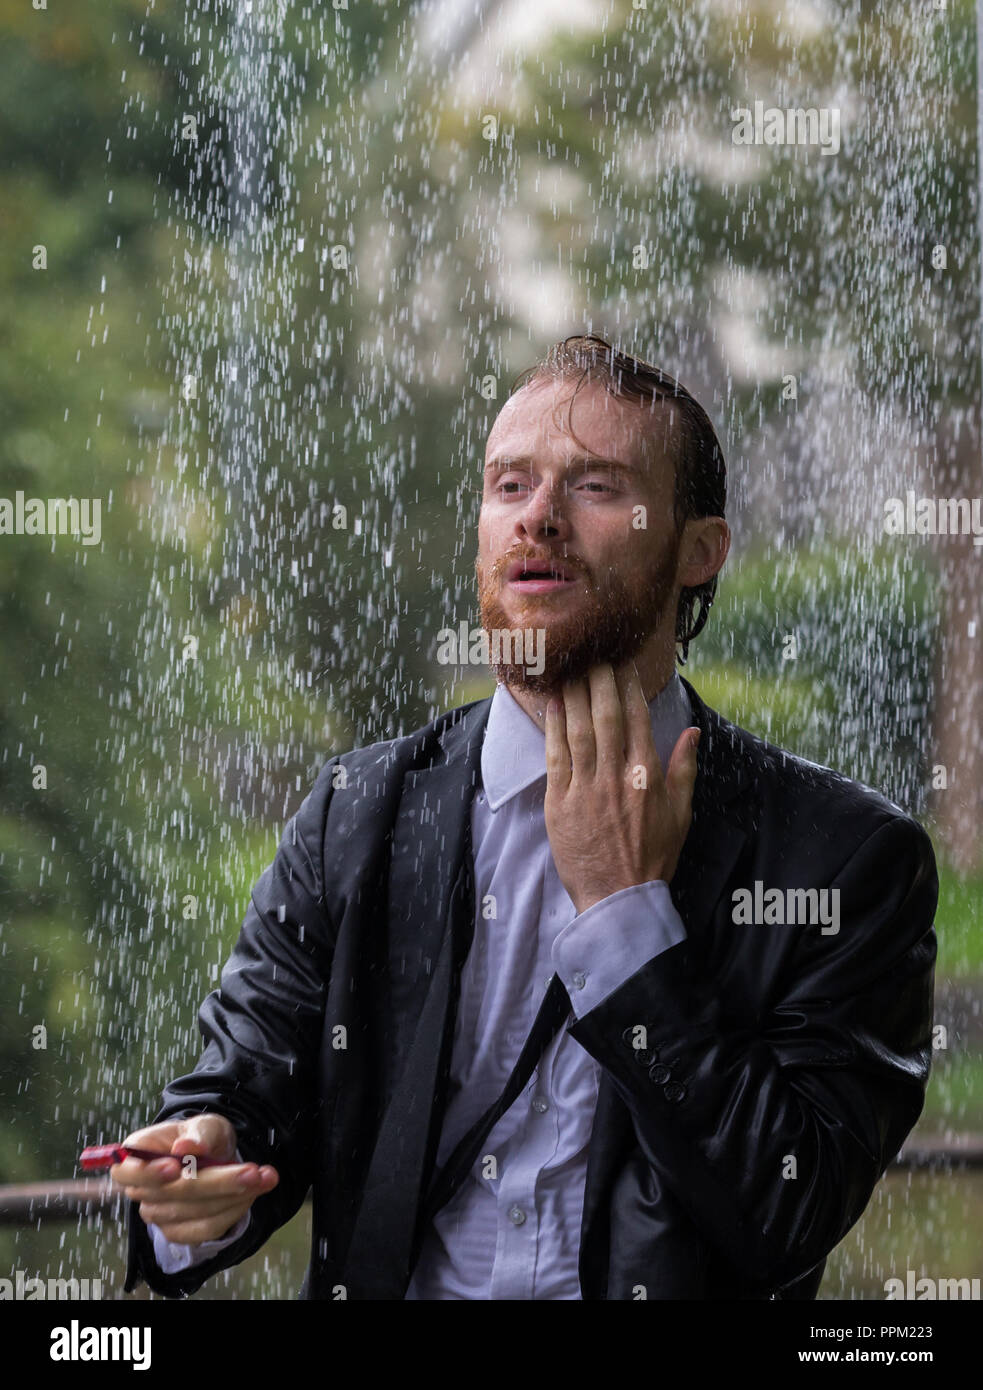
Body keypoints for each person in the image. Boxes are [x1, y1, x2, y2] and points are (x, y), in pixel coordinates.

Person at [115, 334, 937, 1300]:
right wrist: (203, 1167)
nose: (537, 518)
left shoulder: (841, 861)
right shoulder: (356, 815)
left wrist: (628, 921)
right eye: (509, 485)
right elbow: (247, 1092)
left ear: (698, 548)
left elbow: (790, 1208)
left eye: (594, 487)